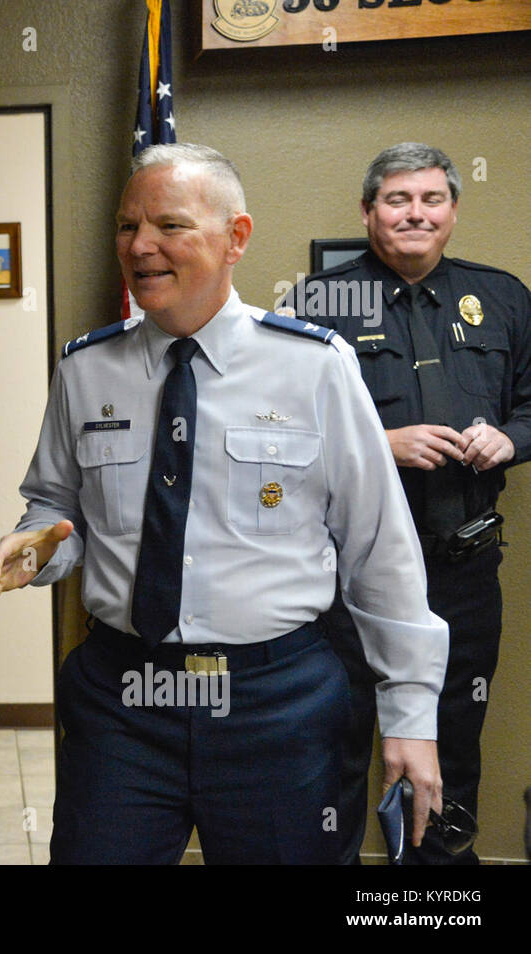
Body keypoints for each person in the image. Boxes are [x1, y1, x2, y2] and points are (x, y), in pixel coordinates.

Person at [0, 142, 447, 864]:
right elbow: (57, 509)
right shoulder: (85, 368)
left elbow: (379, 550)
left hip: (277, 707)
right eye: (126, 227)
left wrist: (411, 714)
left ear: (237, 238)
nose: (140, 247)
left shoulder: (313, 367)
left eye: (170, 226)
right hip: (122, 703)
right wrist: (36, 546)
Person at [295, 143, 531, 864]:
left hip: (461, 569)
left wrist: (510, 441)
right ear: (369, 213)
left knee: (451, 747)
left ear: (453, 212)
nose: (415, 213)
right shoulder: (314, 303)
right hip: (347, 579)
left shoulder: (502, 297)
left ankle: (432, 899)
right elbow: (275, 438)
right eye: (397, 200)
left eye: (432, 200)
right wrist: (380, 443)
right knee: (332, 749)